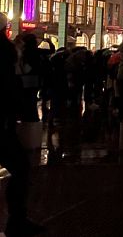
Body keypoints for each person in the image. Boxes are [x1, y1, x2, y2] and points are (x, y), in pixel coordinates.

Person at [0, 14, 44, 236]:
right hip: (2, 124)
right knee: (21, 169)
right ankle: (16, 220)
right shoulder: (5, 52)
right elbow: (9, 87)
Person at [18, 33, 44, 122]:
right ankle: (33, 117)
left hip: (27, 76)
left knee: (27, 97)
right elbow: (50, 50)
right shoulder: (37, 51)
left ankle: (27, 116)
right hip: (36, 77)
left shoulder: (25, 51)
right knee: (32, 98)